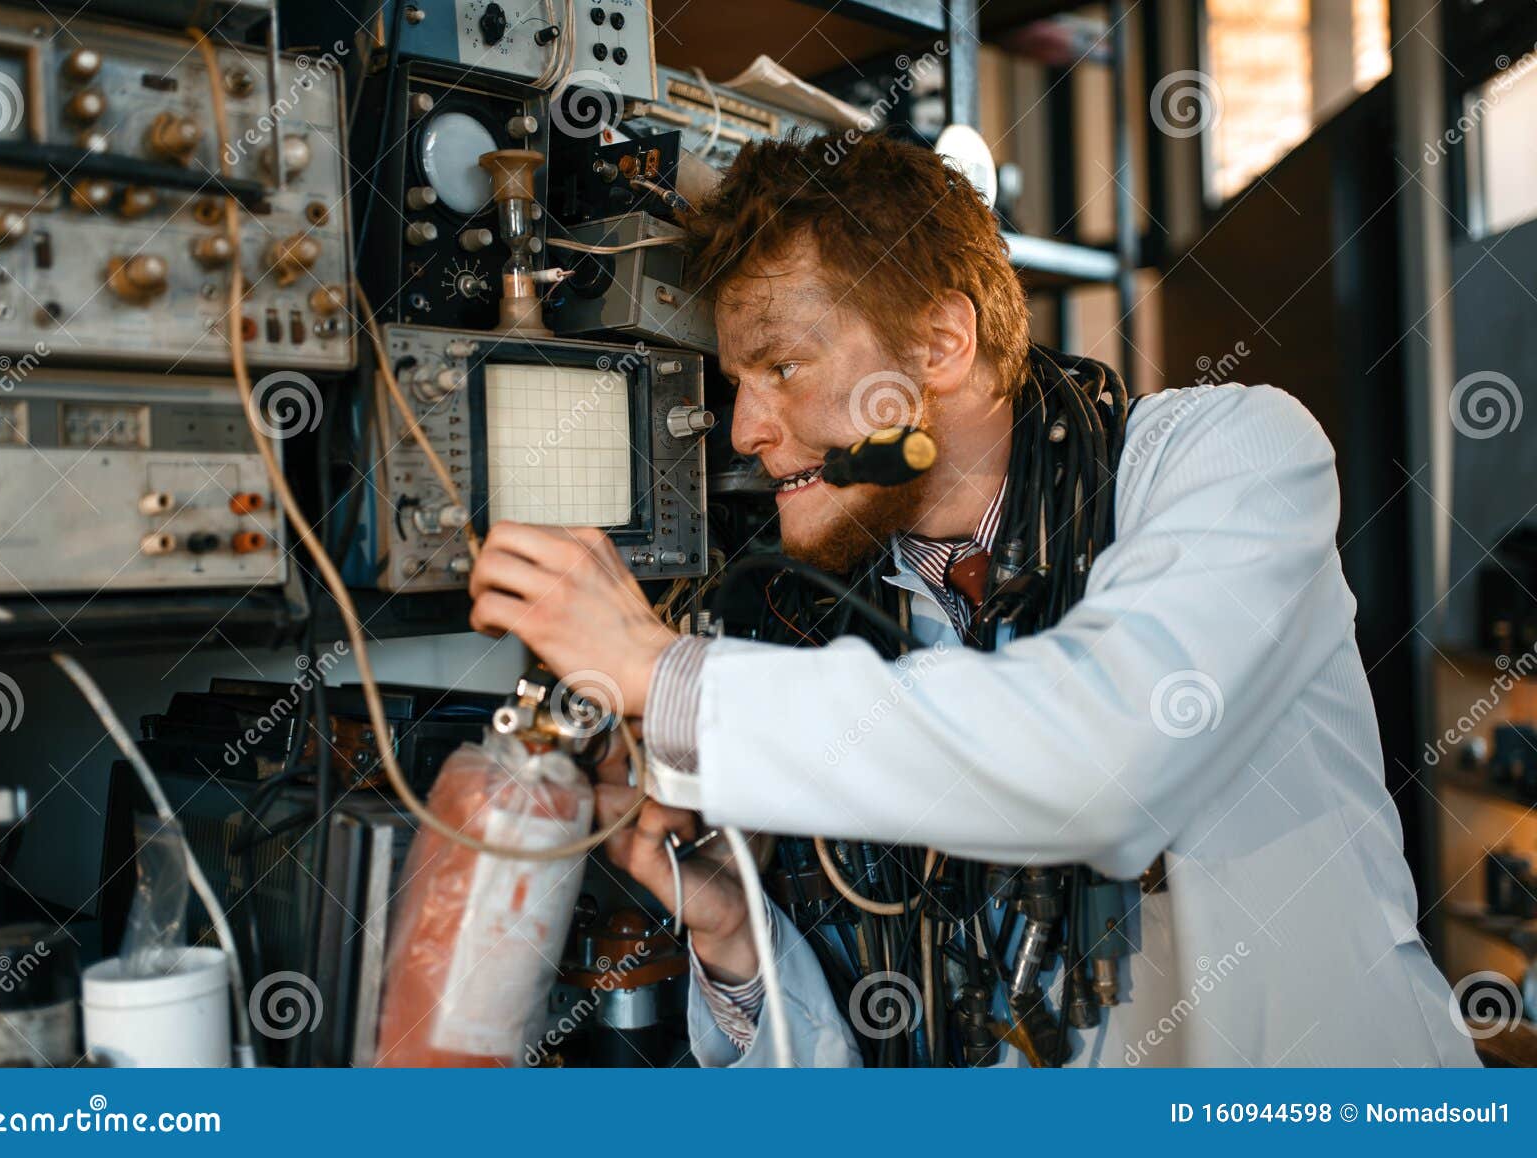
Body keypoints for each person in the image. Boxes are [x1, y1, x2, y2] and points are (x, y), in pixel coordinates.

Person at [467, 133, 1477, 1067]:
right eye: (737, 382)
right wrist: (738, 937)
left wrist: (662, 673)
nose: (743, 430)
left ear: (943, 342)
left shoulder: (1229, 456)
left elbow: (1107, 762)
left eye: (781, 366)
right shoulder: (823, 624)